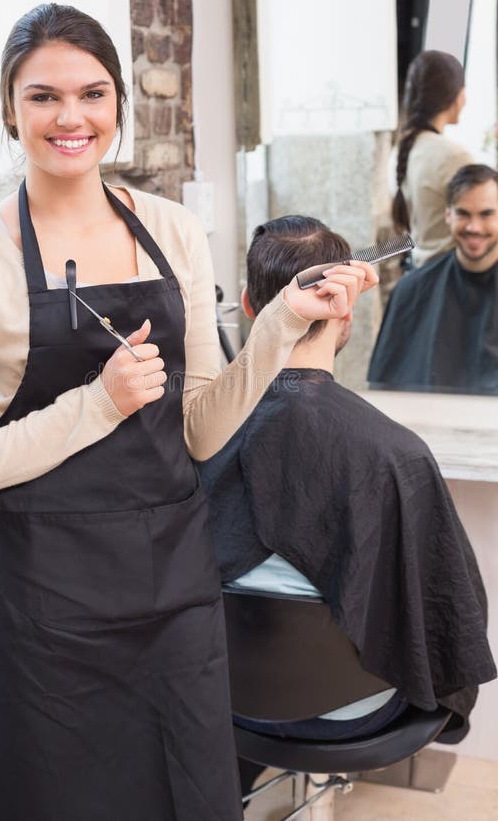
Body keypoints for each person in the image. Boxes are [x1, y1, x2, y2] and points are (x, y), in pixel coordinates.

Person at [0, 4, 377, 821]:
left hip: (171, 603)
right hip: (40, 614)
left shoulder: (172, 231)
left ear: (118, 104)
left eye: (92, 93)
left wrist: (275, 330)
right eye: (43, 96)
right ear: (8, 109)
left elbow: (197, 427)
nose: (70, 117)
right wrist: (96, 405)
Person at [199, 215, 495, 795]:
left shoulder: (197, 436)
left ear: (248, 308)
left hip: (224, 700)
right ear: (346, 308)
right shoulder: (394, 455)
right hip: (359, 710)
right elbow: (451, 617)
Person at [369, 163, 498, 394]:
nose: (474, 227)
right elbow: (384, 387)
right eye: (463, 213)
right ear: (448, 215)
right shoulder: (412, 290)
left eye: (487, 214)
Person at [392, 49, 473, 267]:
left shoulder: (400, 151)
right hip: (453, 278)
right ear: (454, 95)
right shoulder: (453, 156)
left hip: (419, 273)